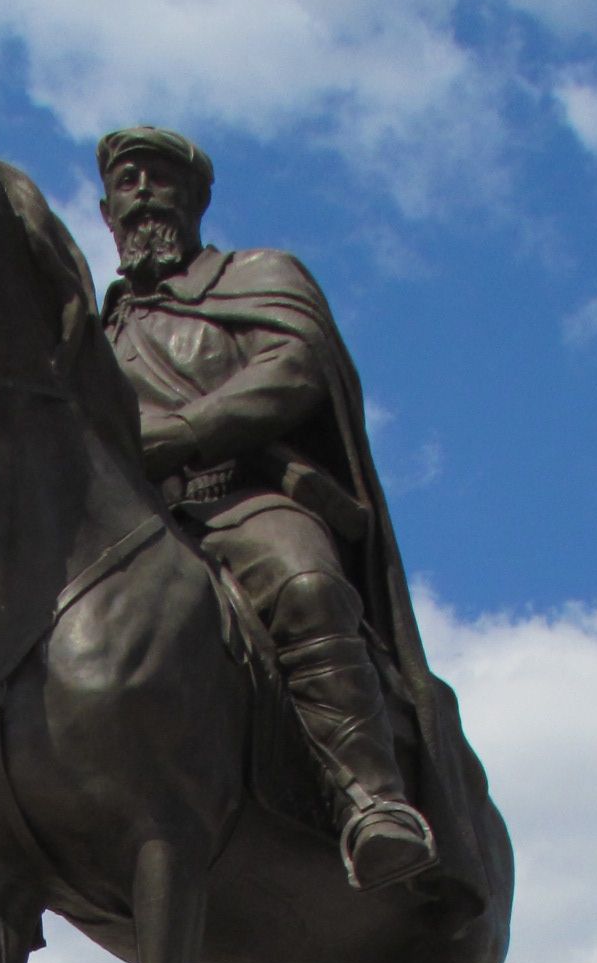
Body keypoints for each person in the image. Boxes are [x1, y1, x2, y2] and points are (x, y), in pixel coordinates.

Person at [93, 124, 446, 894]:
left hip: (240, 500)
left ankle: (371, 799)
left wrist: (188, 431)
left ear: (195, 200)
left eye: (159, 179)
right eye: (127, 183)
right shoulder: (96, 333)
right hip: (134, 529)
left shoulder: (256, 277)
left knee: (307, 587)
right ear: (105, 210)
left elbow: (296, 367)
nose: (143, 194)